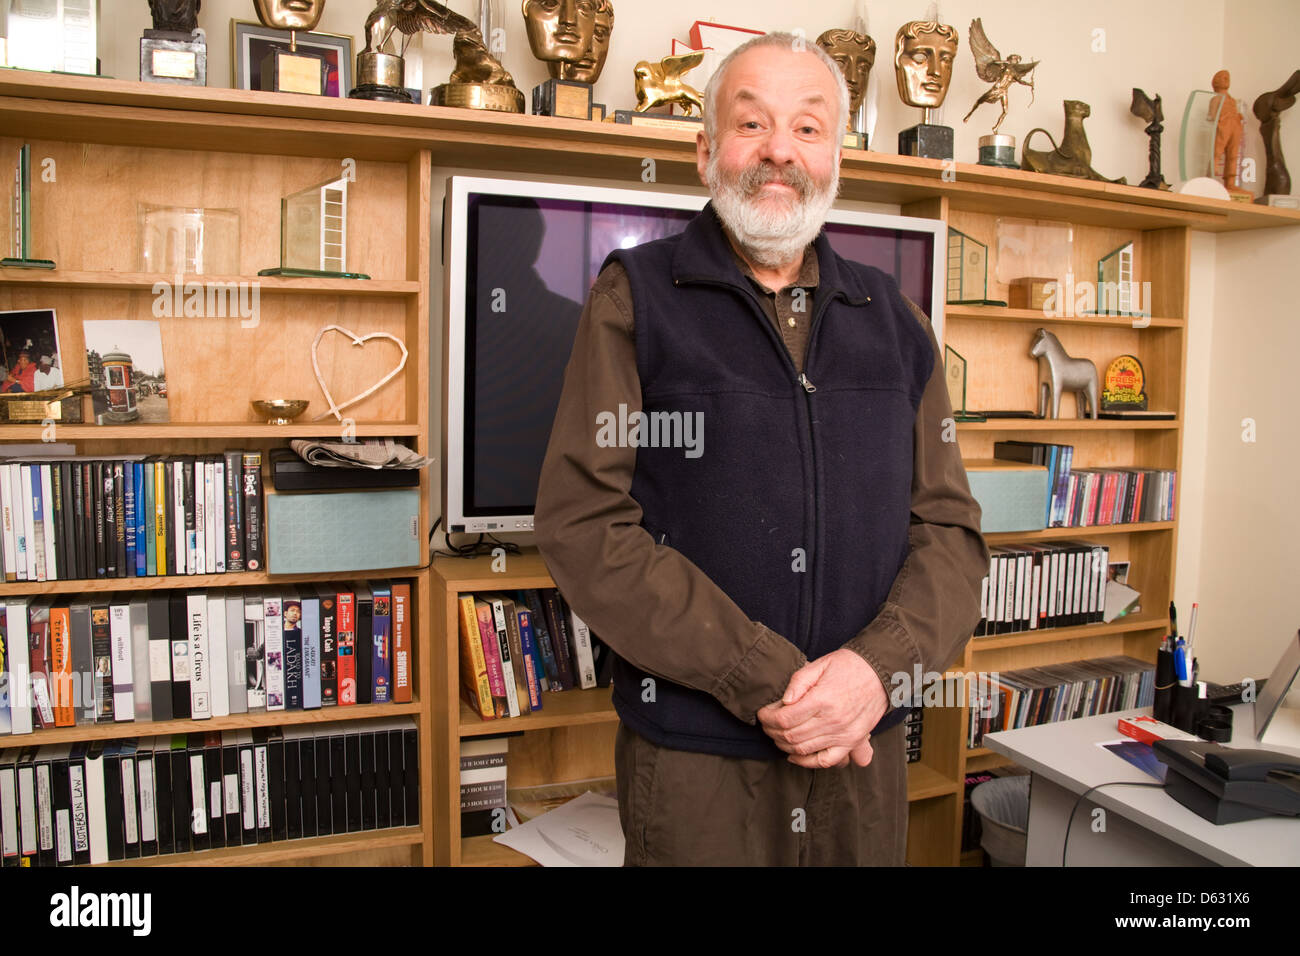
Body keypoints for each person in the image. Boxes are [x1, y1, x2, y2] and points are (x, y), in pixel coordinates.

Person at [535, 32, 988, 866]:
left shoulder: (897, 319)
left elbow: (950, 534)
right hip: (697, 771)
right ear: (707, 150)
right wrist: (764, 675)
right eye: (752, 125)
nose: (780, 151)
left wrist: (869, 673)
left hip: (863, 748)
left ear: (836, 157)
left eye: (808, 129)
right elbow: (585, 523)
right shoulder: (632, 297)